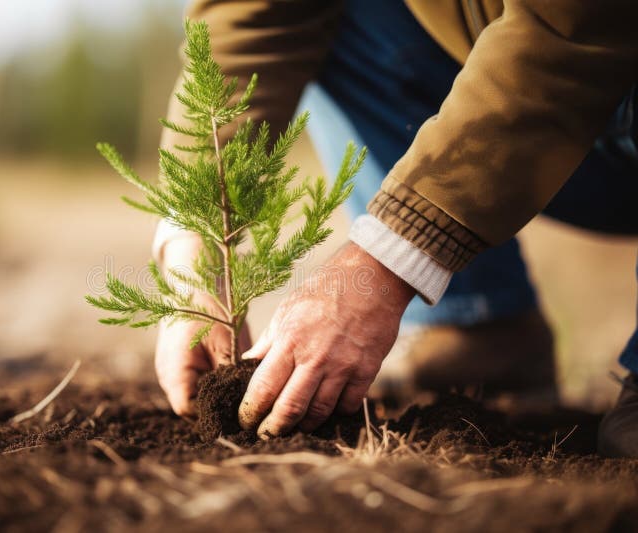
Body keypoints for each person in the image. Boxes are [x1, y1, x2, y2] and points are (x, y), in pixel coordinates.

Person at [152, 0, 638, 458]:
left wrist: (390, 258)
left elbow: (576, 29)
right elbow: (255, 19)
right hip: (534, 137)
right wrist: (194, 239)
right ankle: (478, 321)